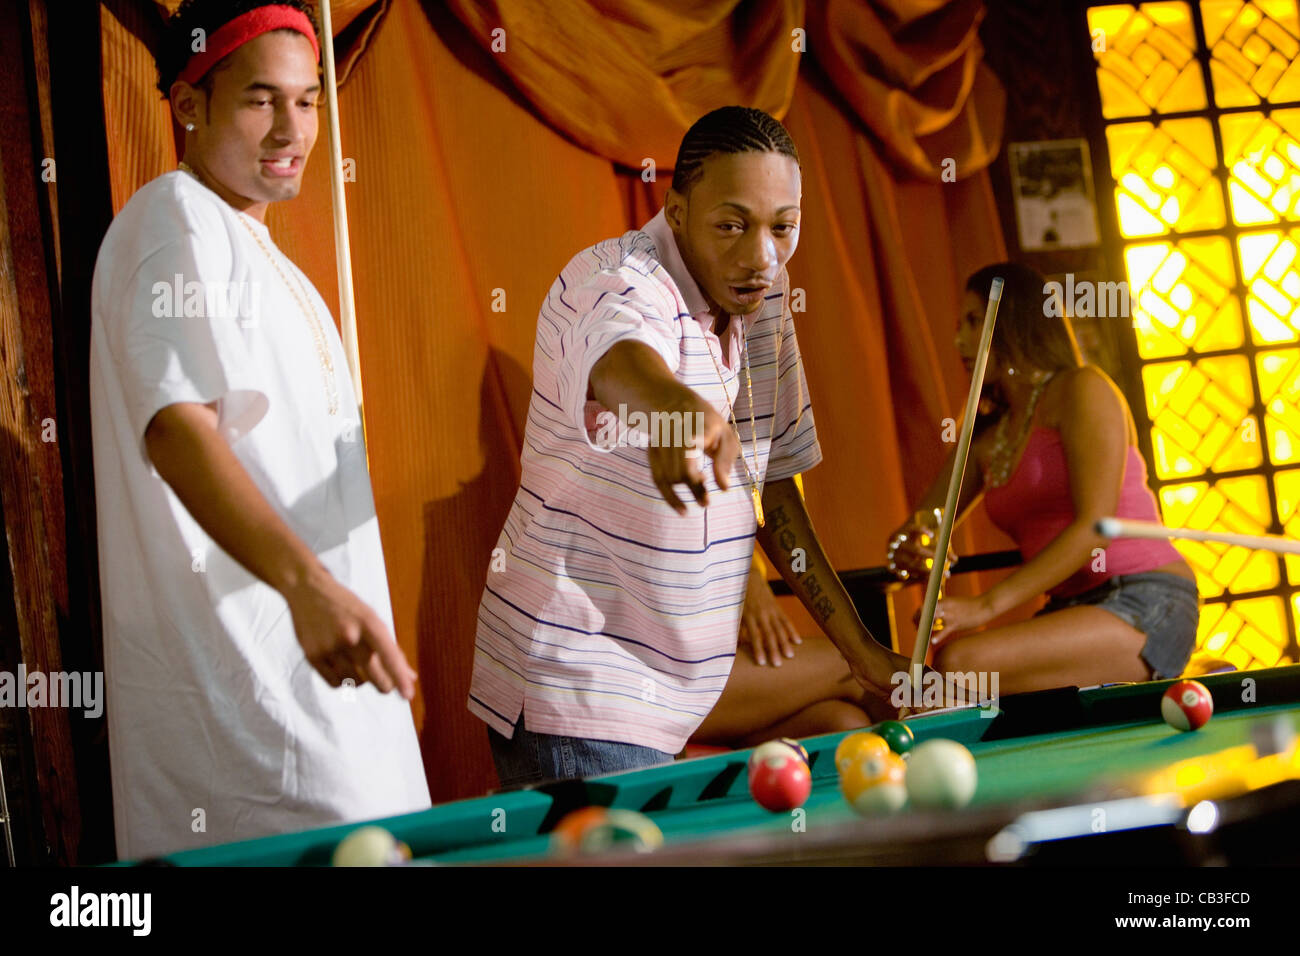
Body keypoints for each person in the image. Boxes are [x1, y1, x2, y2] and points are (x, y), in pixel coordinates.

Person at [468, 106, 911, 787]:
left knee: (842, 731)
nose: (759, 255)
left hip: (683, 681)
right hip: (584, 685)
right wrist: (679, 414)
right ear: (675, 212)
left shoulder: (762, 292)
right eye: (731, 224)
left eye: (782, 227)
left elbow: (775, 495)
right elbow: (623, 360)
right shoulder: (615, 279)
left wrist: (863, 653)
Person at [90, 0, 430, 859]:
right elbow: (177, 429)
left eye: (308, 100)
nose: (293, 129)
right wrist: (308, 588)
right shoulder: (174, 219)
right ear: (188, 104)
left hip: (339, 725)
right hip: (262, 749)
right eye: (260, 99)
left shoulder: (275, 266)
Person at [887, 263, 1200, 694]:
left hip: (1145, 600)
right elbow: (925, 520)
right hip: (1070, 608)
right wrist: (910, 546)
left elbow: (1096, 528)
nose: (960, 341)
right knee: (943, 679)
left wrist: (984, 606)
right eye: (960, 326)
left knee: (959, 665)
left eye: (975, 322)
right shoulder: (990, 435)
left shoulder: (1082, 389)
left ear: (1017, 319)